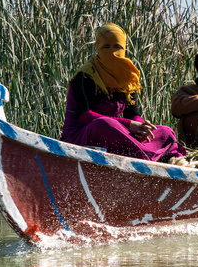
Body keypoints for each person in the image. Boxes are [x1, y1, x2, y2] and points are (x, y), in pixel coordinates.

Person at [61, 23, 185, 163]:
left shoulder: (128, 77)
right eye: (106, 47)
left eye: (117, 47)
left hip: (118, 133)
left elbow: (133, 114)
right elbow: (84, 116)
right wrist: (129, 124)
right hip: (83, 134)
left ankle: (146, 154)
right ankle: (148, 157)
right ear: (98, 48)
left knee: (165, 132)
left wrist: (141, 128)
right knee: (105, 124)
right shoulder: (86, 76)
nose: (112, 52)